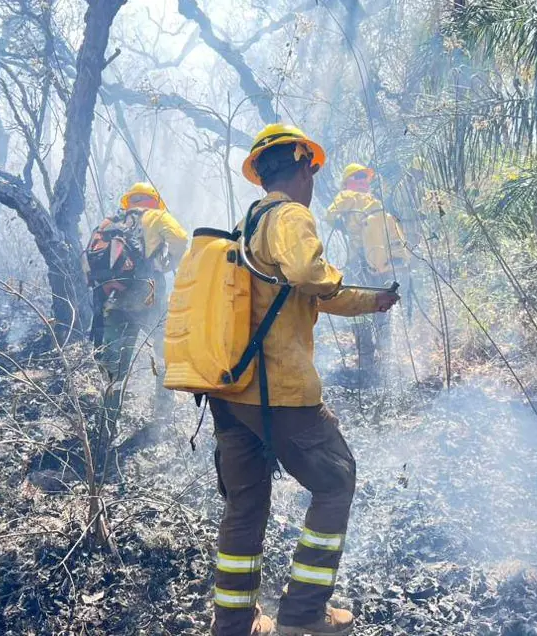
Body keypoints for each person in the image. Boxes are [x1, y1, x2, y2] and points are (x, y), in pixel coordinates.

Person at [208, 125, 400, 636]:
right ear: (301, 166)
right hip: (280, 392)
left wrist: (370, 301)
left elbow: (308, 291)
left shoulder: (247, 224)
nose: (314, 180)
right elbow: (309, 275)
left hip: (231, 393)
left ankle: (233, 624)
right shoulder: (291, 216)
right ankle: (303, 616)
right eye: (312, 170)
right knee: (336, 481)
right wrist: (339, 279)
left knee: (245, 506)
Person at [84, 182, 188, 427]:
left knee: (114, 363)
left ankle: (107, 424)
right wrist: (166, 265)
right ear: (154, 200)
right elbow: (181, 239)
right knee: (163, 350)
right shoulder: (156, 216)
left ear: (129, 201)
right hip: (147, 296)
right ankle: (162, 415)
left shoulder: (110, 224)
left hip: (113, 300)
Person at [326, 164, 410, 378]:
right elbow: (330, 216)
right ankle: (369, 363)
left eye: (366, 177)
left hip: (379, 265)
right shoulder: (346, 196)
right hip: (362, 264)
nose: (364, 181)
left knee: (381, 310)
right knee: (362, 312)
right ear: (346, 183)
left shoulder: (376, 204)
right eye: (358, 177)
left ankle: (383, 364)